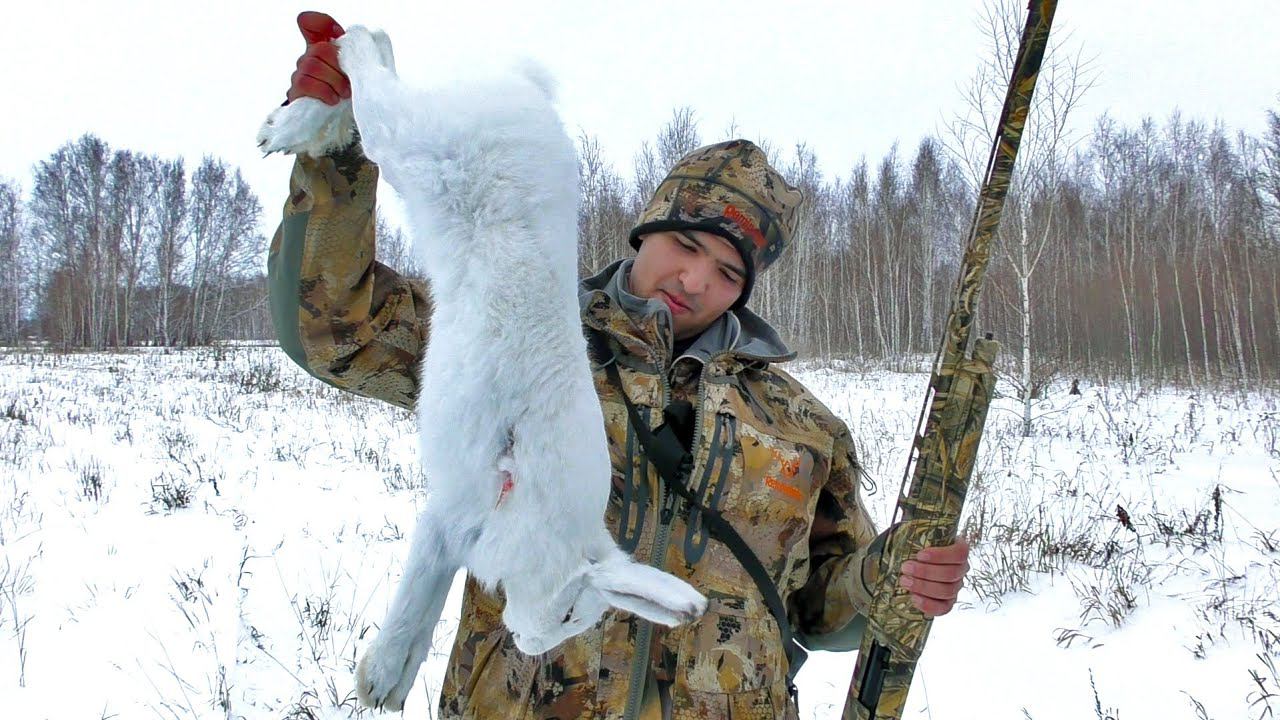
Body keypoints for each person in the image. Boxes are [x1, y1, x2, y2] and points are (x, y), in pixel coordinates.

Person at [267, 12, 971, 720]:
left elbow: (822, 613)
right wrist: (338, 151)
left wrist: (890, 578)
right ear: (646, 232)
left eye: (729, 271)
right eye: (685, 245)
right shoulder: (513, 328)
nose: (696, 280)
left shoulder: (803, 427)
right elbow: (335, 328)